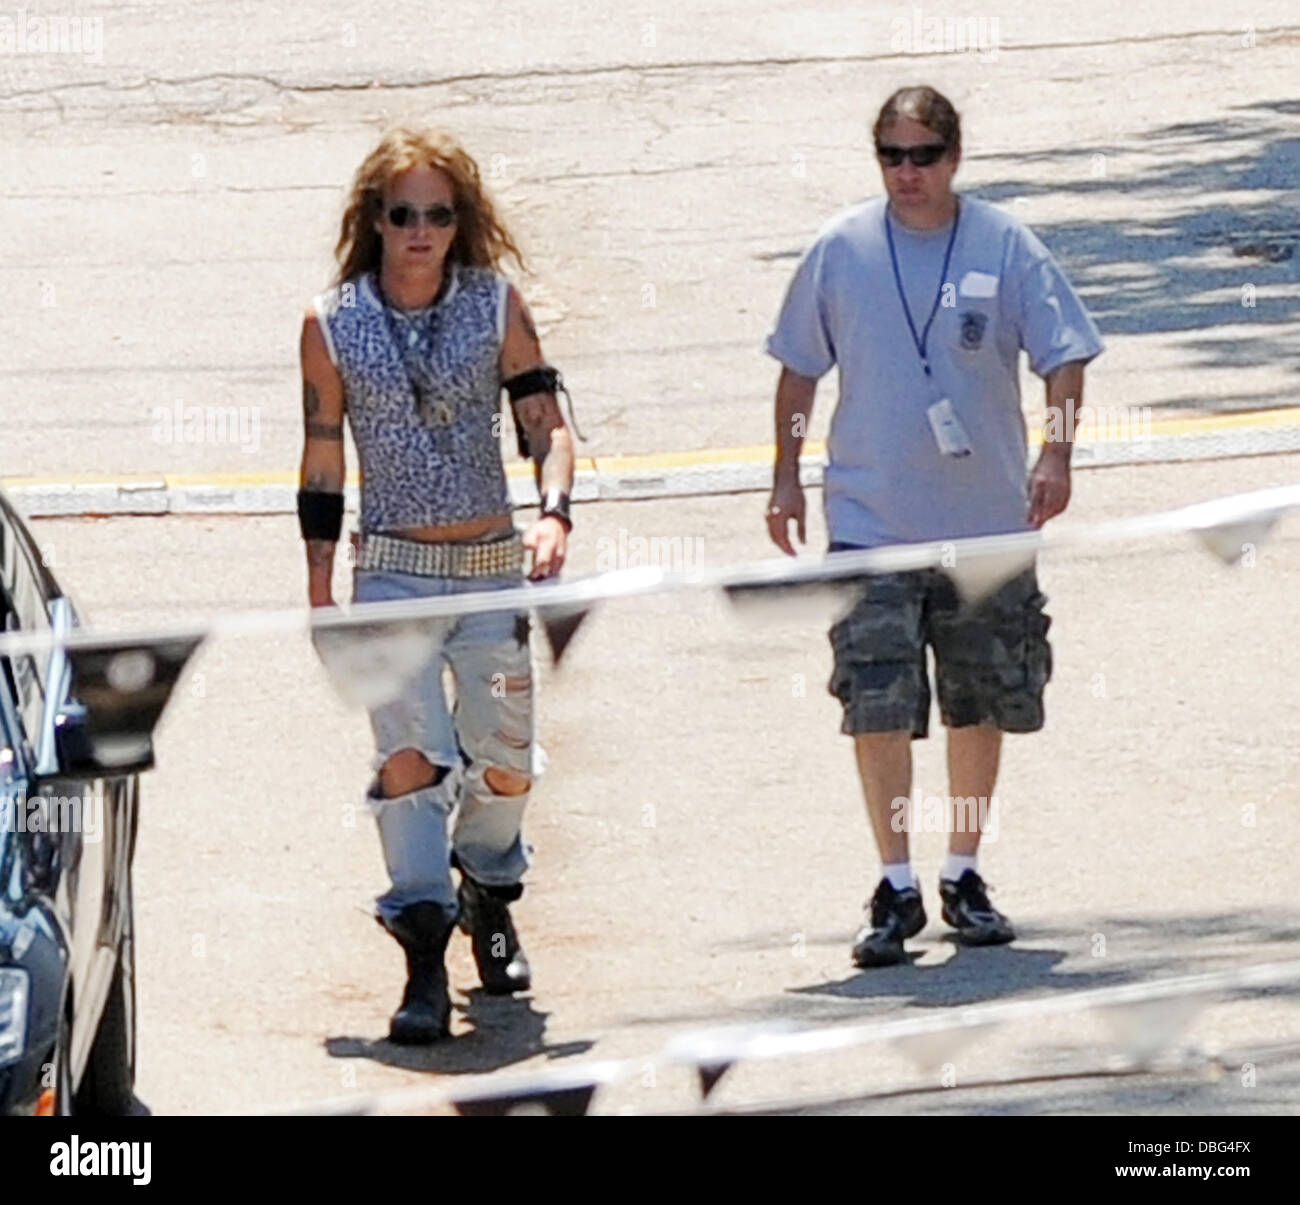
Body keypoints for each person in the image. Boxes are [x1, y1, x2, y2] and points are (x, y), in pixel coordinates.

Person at [764, 86, 1103, 968]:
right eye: (891, 156)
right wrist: (784, 479)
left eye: (923, 156)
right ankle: (895, 881)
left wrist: (1056, 454)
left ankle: (962, 870)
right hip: (871, 524)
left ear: (955, 157)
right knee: (876, 704)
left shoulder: (1003, 244)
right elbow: (799, 372)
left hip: (986, 524)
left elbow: (1065, 357)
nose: (907, 174)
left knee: (978, 700)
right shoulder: (841, 249)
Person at [297, 127, 575, 1041]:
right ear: (373, 220)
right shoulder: (332, 323)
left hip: (491, 564)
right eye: (402, 214)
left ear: (462, 222)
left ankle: (489, 894)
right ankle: (423, 950)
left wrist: (554, 510)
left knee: (502, 757)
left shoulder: (495, 305)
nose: (420, 231)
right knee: (409, 757)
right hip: (392, 573)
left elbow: (547, 422)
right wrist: (318, 589)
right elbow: (323, 457)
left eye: (438, 215)